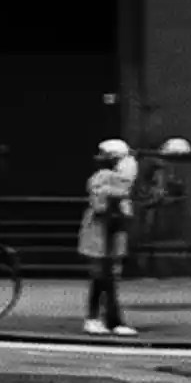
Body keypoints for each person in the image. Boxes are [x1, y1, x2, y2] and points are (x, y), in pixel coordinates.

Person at [77, 138, 139, 336]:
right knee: (103, 277)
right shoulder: (103, 178)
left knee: (105, 277)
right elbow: (100, 205)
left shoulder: (116, 179)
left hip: (111, 232)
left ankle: (101, 319)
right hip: (99, 234)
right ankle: (106, 319)